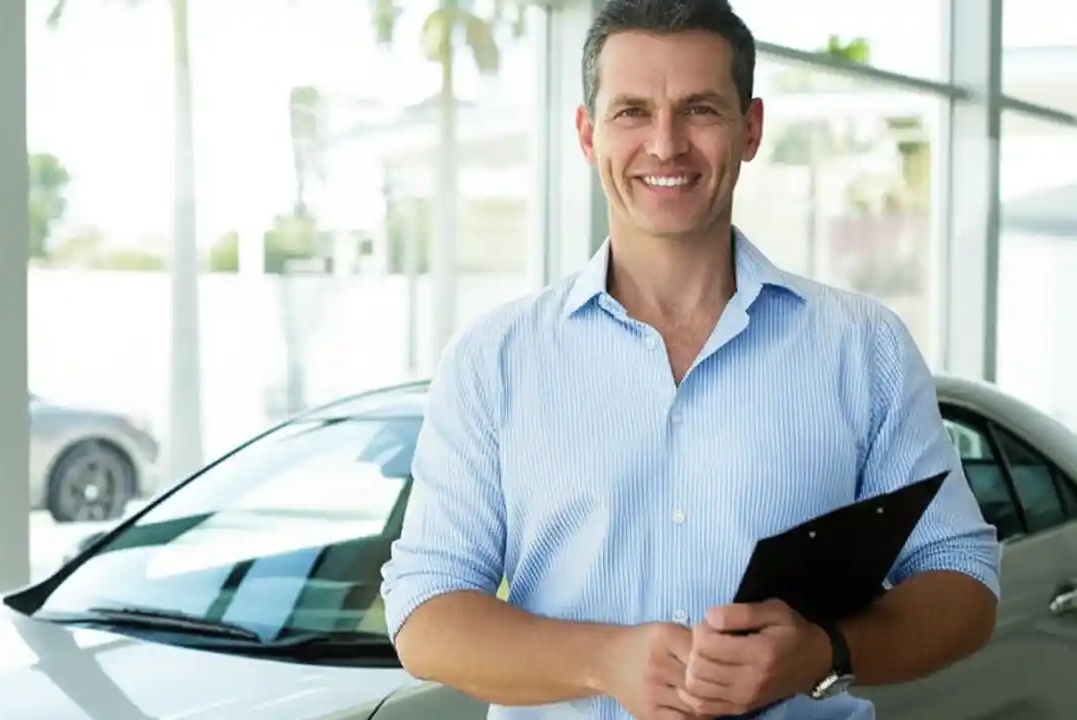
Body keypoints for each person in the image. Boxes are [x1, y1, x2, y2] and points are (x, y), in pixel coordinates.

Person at [378, 0, 1001, 718]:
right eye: (632, 112)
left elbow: (962, 581)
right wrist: (603, 660)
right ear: (588, 135)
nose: (666, 144)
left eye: (700, 109)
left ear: (752, 128)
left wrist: (825, 649)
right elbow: (426, 609)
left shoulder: (863, 347)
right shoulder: (494, 359)